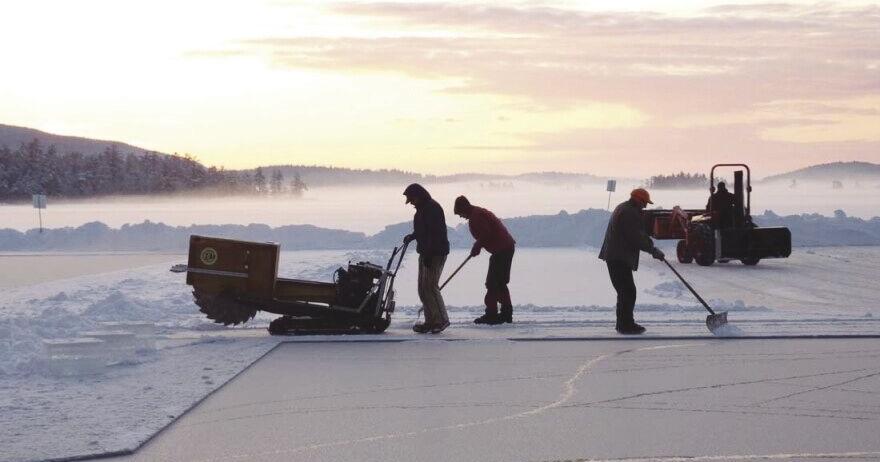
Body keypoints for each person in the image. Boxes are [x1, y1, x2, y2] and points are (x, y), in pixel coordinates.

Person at [599, 188, 665, 335]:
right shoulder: (629, 213)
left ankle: (623, 324)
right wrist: (653, 250)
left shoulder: (623, 208)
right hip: (618, 256)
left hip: (616, 255)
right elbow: (636, 237)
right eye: (644, 203)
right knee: (627, 291)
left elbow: (637, 233)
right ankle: (625, 325)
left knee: (625, 291)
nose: (645, 206)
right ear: (638, 200)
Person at [453, 196, 516, 325]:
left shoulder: (476, 216)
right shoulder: (477, 213)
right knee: (500, 282)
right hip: (505, 248)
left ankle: (492, 314)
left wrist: (477, 246)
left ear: (464, 207)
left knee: (492, 283)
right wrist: (478, 246)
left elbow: (486, 234)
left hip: (502, 249)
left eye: (460, 213)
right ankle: (506, 314)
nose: (461, 217)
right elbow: (486, 235)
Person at [402, 184, 451, 334]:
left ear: (419, 195)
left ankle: (441, 320)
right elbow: (423, 230)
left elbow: (435, 233)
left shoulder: (432, 208)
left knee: (430, 286)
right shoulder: (422, 210)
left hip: (435, 253)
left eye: (412, 199)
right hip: (425, 252)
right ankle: (430, 320)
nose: (410, 203)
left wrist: (430, 254)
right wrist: (413, 236)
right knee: (422, 288)